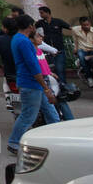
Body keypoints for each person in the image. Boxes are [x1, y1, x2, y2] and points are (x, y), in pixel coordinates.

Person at [8, 15, 60, 153]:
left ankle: (59, 138)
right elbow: (33, 65)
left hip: (31, 83)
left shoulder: (17, 39)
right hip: (31, 83)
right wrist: (45, 87)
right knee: (28, 115)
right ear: (30, 26)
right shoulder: (24, 41)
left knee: (50, 111)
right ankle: (14, 143)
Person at [32, 30, 74, 121]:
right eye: (38, 37)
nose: (41, 38)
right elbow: (36, 69)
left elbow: (44, 65)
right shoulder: (32, 52)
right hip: (41, 81)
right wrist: (46, 88)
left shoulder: (39, 50)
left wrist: (50, 73)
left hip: (46, 79)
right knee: (48, 106)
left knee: (54, 101)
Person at [36, 6, 74, 91]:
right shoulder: (40, 23)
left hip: (59, 49)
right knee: (50, 70)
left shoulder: (58, 21)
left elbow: (70, 28)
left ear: (47, 13)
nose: (40, 15)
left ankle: (63, 87)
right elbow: (34, 30)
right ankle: (54, 87)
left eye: (42, 13)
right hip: (48, 51)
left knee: (60, 69)